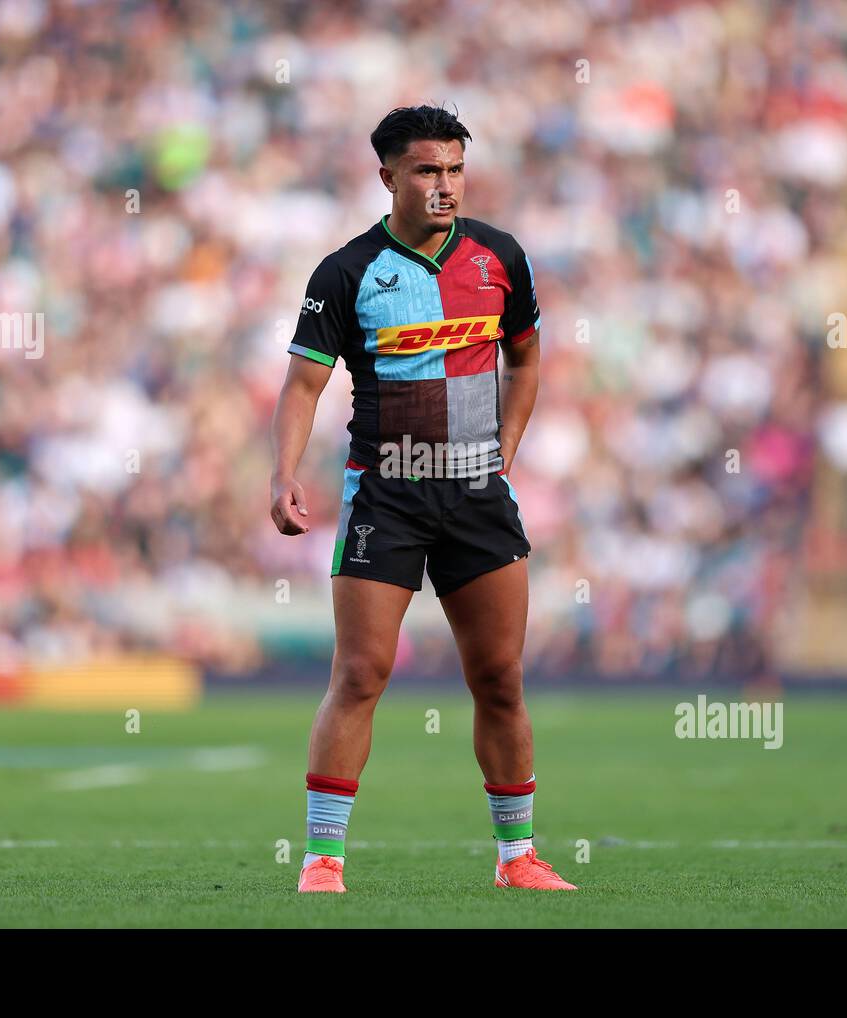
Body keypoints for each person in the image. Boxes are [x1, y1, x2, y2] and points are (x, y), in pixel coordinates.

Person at [269, 105, 575, 892]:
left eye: (455, 169)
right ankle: (322, 861)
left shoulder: (502, 257)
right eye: (427, 171)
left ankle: (517, 861)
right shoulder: (347, 271)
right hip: (386, 498)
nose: (445, 186)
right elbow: (305, 382)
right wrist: (284, 472)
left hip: (478, 498)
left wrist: (504, 453)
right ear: (389, 177)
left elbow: (528, 360)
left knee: (500, 678)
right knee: (362, 673)